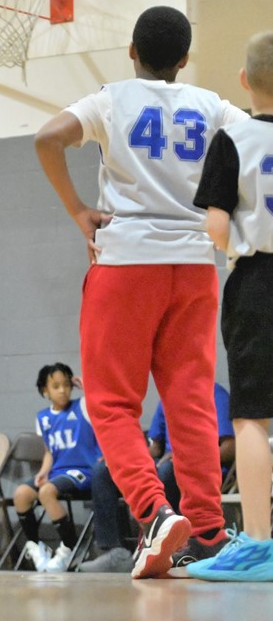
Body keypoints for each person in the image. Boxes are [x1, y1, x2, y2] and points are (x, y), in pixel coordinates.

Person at [34, 6, 250, 579]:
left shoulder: (112, 98)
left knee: (110, 403)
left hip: (128, 262)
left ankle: (154, 514)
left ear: (131, 51)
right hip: (196, 265)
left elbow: (47, 138)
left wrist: (79, 210)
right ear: (184, 59)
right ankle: (207, 531)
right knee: (192, 402)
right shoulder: (214, 106)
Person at [187, 30, 273, 582]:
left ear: (244, 81)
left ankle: (260, 545)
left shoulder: (233, 137)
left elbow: (217, 228)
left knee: (252, 417)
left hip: (258, 283)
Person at [80, 385, 235, 573]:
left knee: (167, 471)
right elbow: (156, 447)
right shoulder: (168, 394)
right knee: (102, 471)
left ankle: (174, 545)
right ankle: (111, 551)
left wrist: (187, 458)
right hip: (168, 461)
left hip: (200, 466)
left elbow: (230, 447)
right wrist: (121, 456)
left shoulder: (215, 394)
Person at [15, 364, 100, 573]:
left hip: (82, 470)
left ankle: (70, 547)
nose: (62, 390)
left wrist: (88, 388)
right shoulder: (43, 417)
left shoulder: (82, 407)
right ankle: (36, 546)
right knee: (21, 494)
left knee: (47, 492)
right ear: (45, 391)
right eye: (55, 386)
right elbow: (49, 452)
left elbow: (102, 403)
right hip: (57, 472)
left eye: (65, 385)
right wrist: (44, 470)